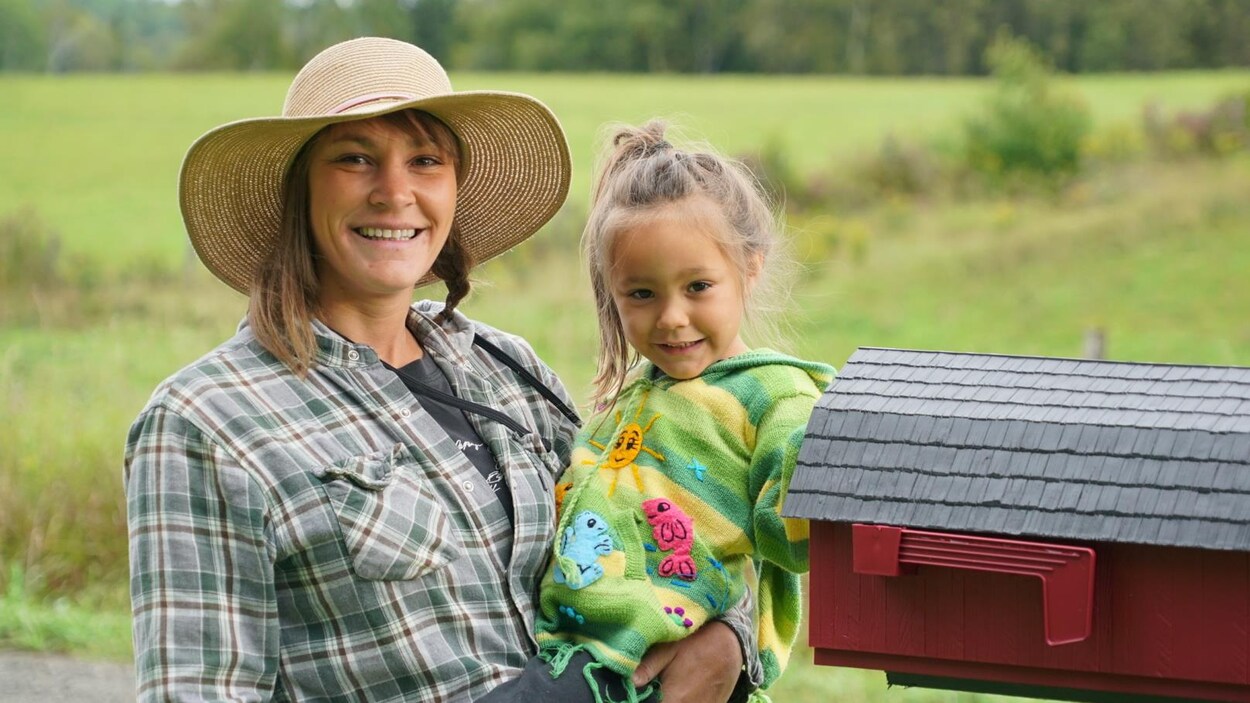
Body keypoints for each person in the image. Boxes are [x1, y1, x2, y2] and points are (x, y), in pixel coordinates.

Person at [124, 37, 754, 702]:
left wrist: (728, 638)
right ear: (299, 190)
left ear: (452, 189)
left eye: (425, 160)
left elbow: (651, 529)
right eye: (355, 158)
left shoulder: (509, 370)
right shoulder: (206, 423)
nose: (394, 192)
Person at [482, 122, 835, 703]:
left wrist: (821, 460)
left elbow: (795, 535)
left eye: (697, 286)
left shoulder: (775, 398)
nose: (671, 317)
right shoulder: (639, 392)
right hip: (573, 648)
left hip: (642, 667)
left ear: (750, 268)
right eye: (641, 294)